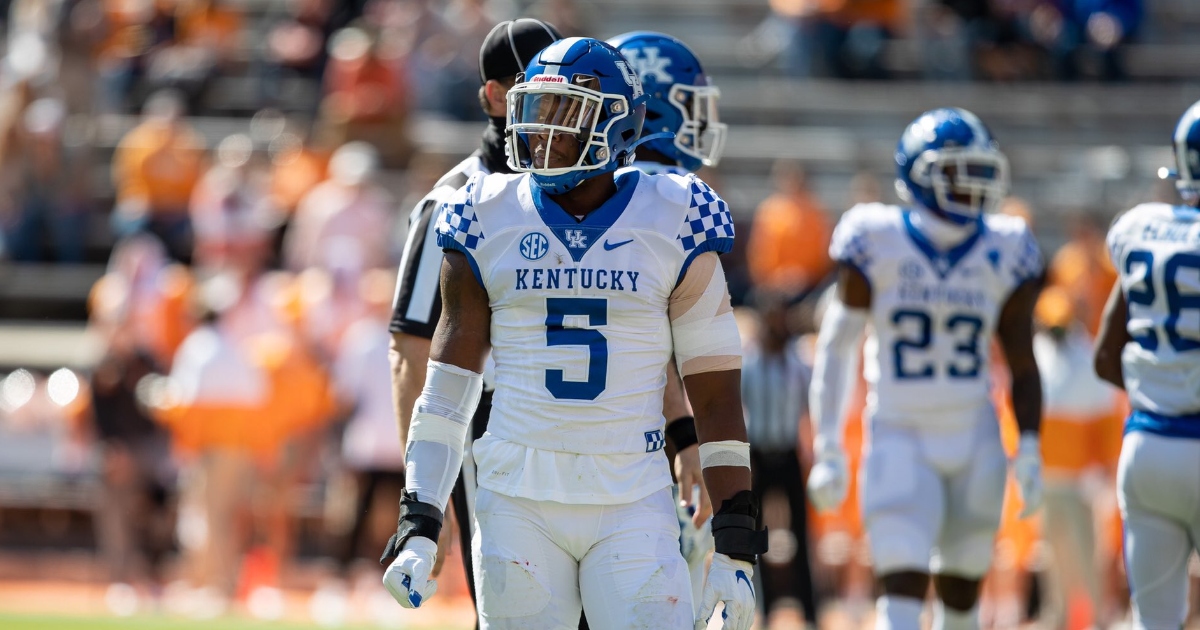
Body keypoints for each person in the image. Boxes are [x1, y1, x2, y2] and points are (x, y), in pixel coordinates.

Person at [381, 37, 766, 629]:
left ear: (616, 122)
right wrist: (420, 516)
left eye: (564, 112)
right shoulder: (482, 210)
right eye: (533, 109)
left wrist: (736, 539)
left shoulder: (676, 214)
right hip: (517, 496)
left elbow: (715, 392)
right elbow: (448, 386)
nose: (540, 131)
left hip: (633, 498)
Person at [807, 107, 1045, 629]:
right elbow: (836, 345)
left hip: (973, 431)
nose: (975, 187)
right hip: (899, 430)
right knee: (903, 588)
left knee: (963, 596)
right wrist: (827, 446)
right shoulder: (876, 238)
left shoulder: (1005, 246)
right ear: (919, 175)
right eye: (958, 173)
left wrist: (1029, 442)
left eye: (980, 172)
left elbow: (1023, 360)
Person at [384, 17, 563, 625]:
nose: (552, 102)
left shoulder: (595, 193)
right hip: (494, 432)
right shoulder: (455, 200)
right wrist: (423, 503)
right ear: (494, 96)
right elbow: (410, 351)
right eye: (530, 85)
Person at [606, 29, 727, 606]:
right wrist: (692, 440)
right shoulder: (677, 200)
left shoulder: (584, 194)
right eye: (687, 104)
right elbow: (684, 350)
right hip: (647, 440)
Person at [1093, 98, 1200, 629]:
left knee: (1155, 622)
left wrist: (1158, 389)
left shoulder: (1143, 230)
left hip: (1148, 447)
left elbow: (1105, 356)